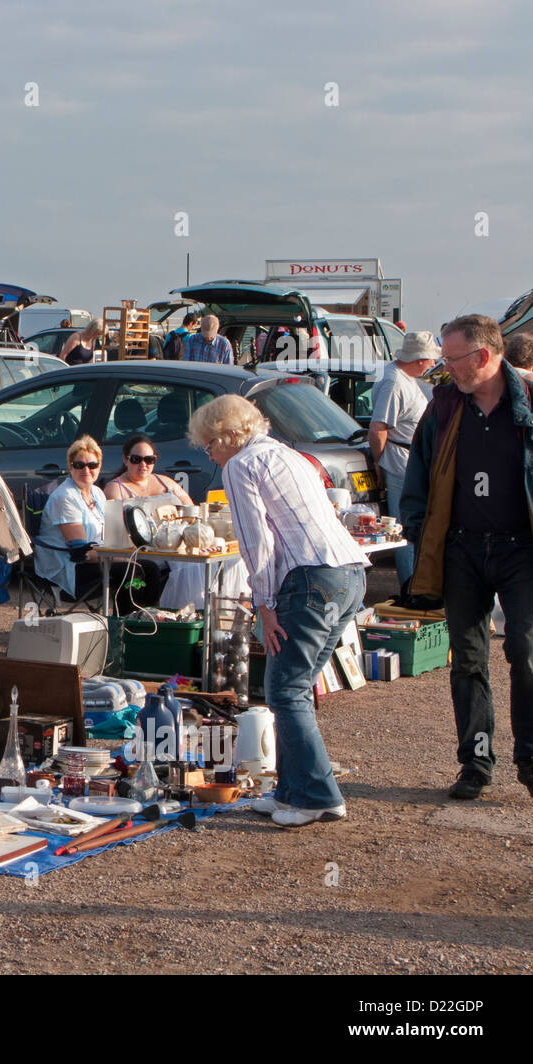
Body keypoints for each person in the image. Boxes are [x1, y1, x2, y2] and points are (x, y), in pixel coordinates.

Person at [189, 395, 367, 827]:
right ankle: (292, 789)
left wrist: (263, 605)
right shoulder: (290, 454)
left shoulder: (241, 465)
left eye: (209, 444)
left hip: (307, 578)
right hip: (348, 572)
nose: (209, 454)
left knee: (285, 689)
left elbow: (256, 543)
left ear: (230, 436)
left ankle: (316, 795)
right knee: (296, 688)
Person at [400, 315, 533, 801]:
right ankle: (475, 764)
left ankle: (530, 759)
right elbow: (419, 470)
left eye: (452, 360)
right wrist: (417, 530)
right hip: (462, 548)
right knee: (469, 661)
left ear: (482, 356)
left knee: (525, 650)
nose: (444, 369)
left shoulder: (528, 401)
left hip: (522, 549)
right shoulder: (444, 408)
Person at [368, 331, 438, 590]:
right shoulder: (395, 382)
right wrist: (379, 463)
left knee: (412, 525)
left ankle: (416, 584)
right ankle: (410, 587)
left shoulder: (403, 378)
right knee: (406, 528)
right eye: (430, 360)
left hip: (409, 459)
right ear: (420, 359)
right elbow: (378, 428)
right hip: (401, 462)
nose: (432, 365)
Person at [103, 433, 192, 609]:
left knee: (198, 566)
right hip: (140, 551)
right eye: (136, 459)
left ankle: (193, 612)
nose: (143, 465)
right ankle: (172, 611)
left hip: (174, 547)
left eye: (149, 459)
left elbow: (190, 509)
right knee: (185, 568)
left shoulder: (165, 482)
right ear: (125, 459)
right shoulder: (115, 489)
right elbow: (115, 531)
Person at [33, 436, 105, 601]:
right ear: (70, 467)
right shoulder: (66, 496)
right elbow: (80, 551)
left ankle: (135, 622)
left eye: (92, 465)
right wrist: (120, 556)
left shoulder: (98, 493)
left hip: (97, 559)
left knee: (146, 568)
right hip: (68, 568)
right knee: (135, 570)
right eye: (79, 465)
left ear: (99, 466)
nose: (86, 470)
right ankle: (129, 623)